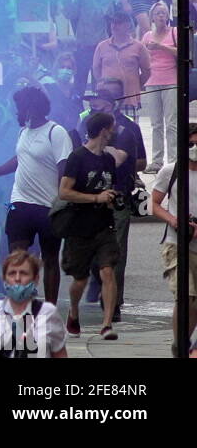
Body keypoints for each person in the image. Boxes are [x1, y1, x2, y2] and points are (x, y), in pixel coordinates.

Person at [0, 86, 73, 304]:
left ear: (31, 108)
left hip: (48, 206)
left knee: (49, 258)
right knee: (16, 257)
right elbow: (18, 160)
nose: (16, 112)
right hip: (19, 204)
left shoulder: (55, 132)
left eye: (19, 107)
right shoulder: (23, 132)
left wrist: (62, 202)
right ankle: (18, 302)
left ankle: (50, 308)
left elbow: (64, 168)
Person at [78, 83, 146, 318]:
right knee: (88, 249)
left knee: (115, 251)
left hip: (116, 196)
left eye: (97, 103)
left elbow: (136, 162)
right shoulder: (86, 124)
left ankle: (113, 303)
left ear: (110, 105)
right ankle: (99, 283)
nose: (92, 107)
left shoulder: (127, 129)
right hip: (89, 197)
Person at [58, 112, 127, 341]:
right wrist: (95, 198)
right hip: (79, 227)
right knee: (80, 279)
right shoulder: (77, 157)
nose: (114, 131)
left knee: (108, 270)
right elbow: (64, 191)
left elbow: (109, 184)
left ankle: (106, 324)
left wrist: (113, 197)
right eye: (111, 127)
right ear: (103, 130)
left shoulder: (108, 159)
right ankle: (73, 312)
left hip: (104, 226)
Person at [149, 123, 197, 357]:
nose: (194, 148)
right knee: (185, 295)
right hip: (176, 244)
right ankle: (180, 346)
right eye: (190, 143)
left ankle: (184, 343)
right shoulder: (171, 171)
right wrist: (174, 220)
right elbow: (155, 204)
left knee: (195, 302)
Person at [0, 251, 68, 358]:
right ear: (4, 279)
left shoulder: (48, 313)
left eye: (24, 273)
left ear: (36, 279)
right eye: (12, 273)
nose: (17, 278)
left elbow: (60, 354)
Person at [91, 10, 151, 119]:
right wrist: (105, 84)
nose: (114, 25)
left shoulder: (139, 47)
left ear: (128, 25)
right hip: (106, 102)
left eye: (118, 23)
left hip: (129, 100)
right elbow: (96, 70)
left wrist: (134, 85)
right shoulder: (101, 46)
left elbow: (147, 71)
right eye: (112, 22)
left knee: (130, 132)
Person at [141, 1, 178, 173]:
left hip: (171, 79)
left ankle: (173, 160)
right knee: (156, 123)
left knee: (171, 122)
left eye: (163, 13)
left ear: (167, 16)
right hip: (152, 81)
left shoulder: (174, 32)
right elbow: (142, 57)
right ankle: (156, 161)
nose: (161, 16)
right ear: (152, 17)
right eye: (157, 13)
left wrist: (161, 47)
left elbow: (183, 52)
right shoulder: (147, 35)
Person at [60, 0, 107, 97]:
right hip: (82, 45)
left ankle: (101, 114)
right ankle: (77, 113)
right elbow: (70, 14)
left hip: (99, 45)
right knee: (78, 85)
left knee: (100, 86)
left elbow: (99, 14)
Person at [43, 52, 82, 134]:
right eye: (62, 67)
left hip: (71, 136)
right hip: (51, 134)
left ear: (73, 71)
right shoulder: (48, 89)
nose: (65, 70)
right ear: (56, 69)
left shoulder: (76, 94)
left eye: (69, 68)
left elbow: (80, 116)